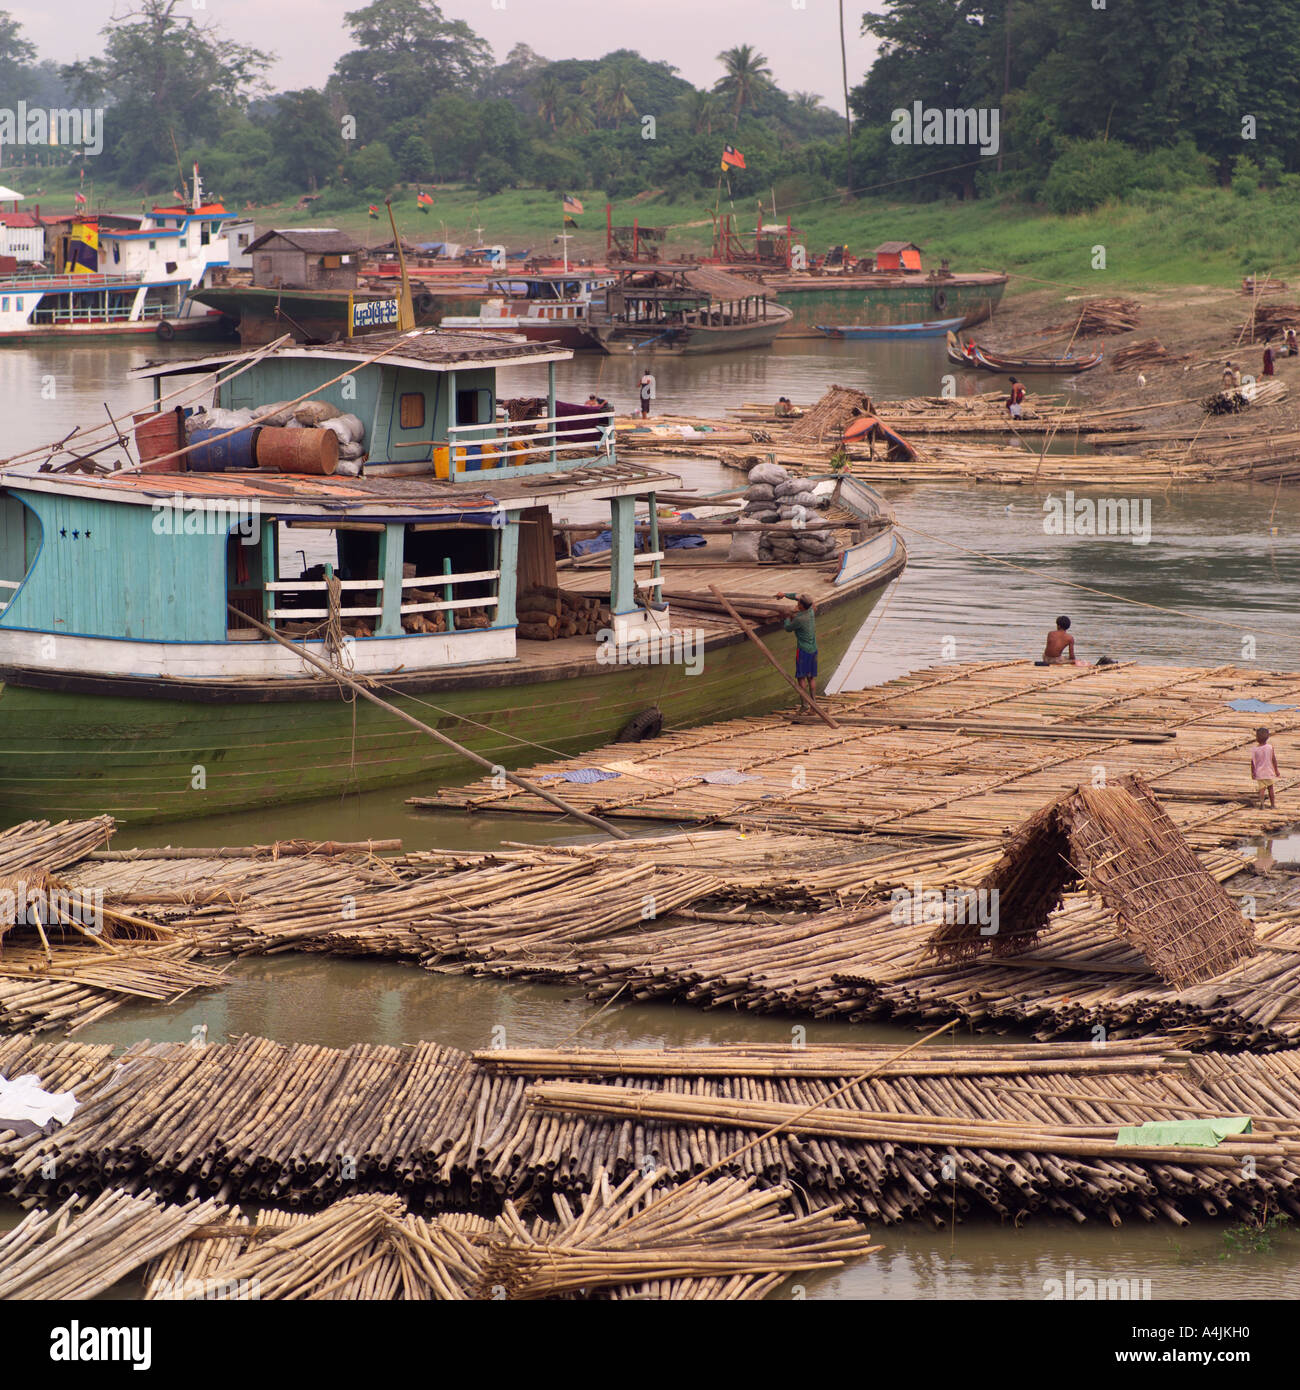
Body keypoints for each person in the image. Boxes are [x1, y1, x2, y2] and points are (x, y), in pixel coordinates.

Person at [775, 592, 818, 700]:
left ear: (801, 606)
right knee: (811, 677)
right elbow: (798, 596)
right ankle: (814, 706)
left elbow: (788, 628)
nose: (797, 602)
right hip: (813, 649)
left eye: (798, 603)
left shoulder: (799, 619)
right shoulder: (811, 610)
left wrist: (787, 617)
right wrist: (785, 595)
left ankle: (804, 704)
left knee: (801, 677)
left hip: (803, 650)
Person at [1251, 727, 1280, 809]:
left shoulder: (1255, 750)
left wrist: (1253, 773)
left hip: (1259, 772)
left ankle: (1262, 804)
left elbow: (1253, 763)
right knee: (1270, 788)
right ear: (1267, 737)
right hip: (1268, 772)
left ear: (1257, 738)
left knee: (1262, 789)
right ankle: (1272, 805)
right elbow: (1273, 759)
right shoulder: (1270, 747)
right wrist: (1276, 770)